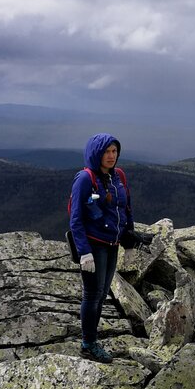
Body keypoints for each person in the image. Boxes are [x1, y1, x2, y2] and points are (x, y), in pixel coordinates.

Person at [69, 133, 133, 362]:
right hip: (94, 245)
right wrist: (84, 252)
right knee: (92, 294)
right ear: (96, 153)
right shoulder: (85, 179)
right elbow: (75, 218)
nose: (111, 156)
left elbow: (125, 208)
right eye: (106, 151)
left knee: (102, 294)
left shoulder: (119, 176)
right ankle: (88, 344)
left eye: (114, 151)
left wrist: (130, 236)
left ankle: (92, 340)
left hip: (113, 244)